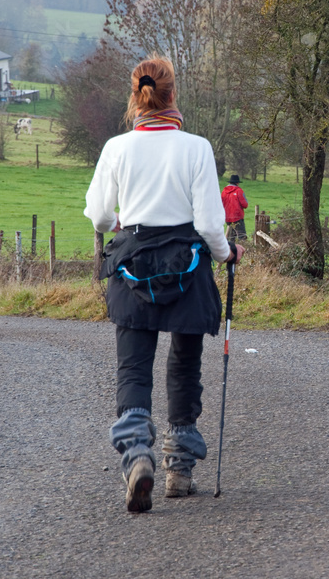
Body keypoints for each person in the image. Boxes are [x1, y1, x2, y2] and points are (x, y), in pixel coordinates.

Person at [84, 55, 245, 514]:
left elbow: (99, 215)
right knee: (184, 365)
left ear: (137, 97)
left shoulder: (116, 148)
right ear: (173, 95)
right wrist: (227, 254)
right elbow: (212, 225)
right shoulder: (196, 147)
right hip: (187, 267)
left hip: (132, 263)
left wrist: (124, 222)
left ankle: (137, 456)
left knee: (133, 369)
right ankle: (179, 470)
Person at [221, 174, 249, 241]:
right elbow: (245, 204)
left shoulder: (224, 191)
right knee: (242, 237)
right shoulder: (239, 190)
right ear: (237, 183)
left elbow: (221, 204)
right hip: (237, 217)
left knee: (231, 238)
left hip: (227, 217)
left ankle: (230, 250)